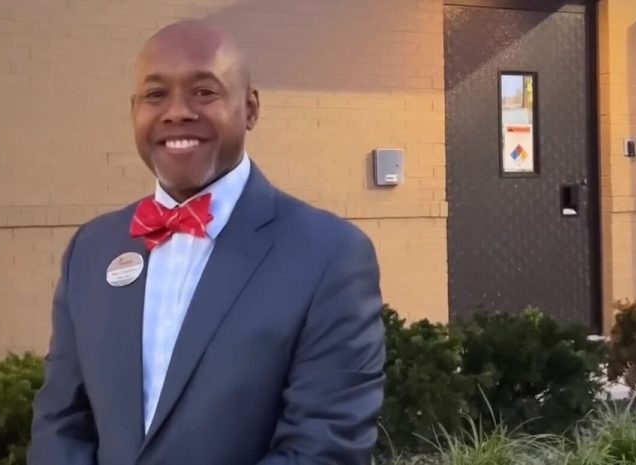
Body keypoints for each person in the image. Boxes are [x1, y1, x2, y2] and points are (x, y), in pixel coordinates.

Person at [28, 19, 385, 465]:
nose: (177, 111)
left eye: (204, 92)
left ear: (250, 109)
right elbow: (60, 423)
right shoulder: (91, 249)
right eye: (156, 95)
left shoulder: (330, 255)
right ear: (133, 110)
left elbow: (325, 449)